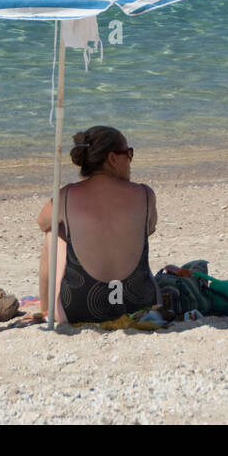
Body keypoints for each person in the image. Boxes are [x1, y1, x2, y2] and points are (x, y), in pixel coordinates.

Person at [36, 125, 159, 323]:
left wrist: (77, 227)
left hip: (77, 309)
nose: (130, 160)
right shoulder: (145, 194)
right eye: (128, 153)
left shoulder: (67, 195)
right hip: (140, 305)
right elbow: (148, 229)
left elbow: (42, 222)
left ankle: (44, 309)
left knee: (54, 230)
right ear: (112, 158)